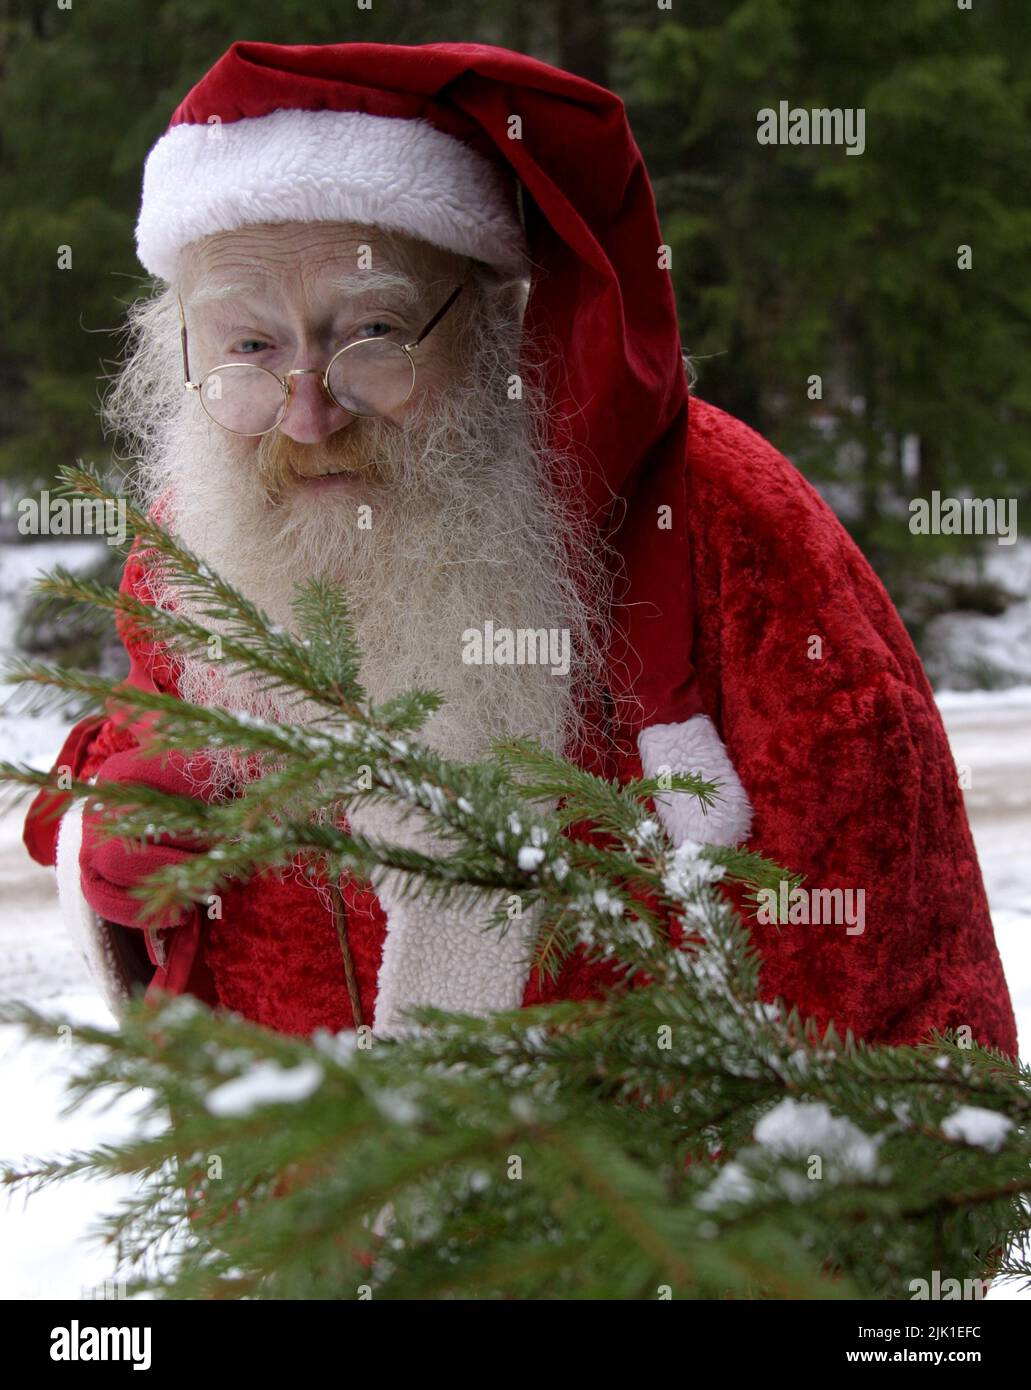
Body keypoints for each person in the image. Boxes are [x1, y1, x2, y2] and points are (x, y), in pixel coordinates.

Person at [23, 40, 1017, 1057]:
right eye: (247, 346)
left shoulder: (719, 524)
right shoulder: (199, 538)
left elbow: (895, 980)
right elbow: (108, 781)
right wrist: (103, 851)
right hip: (303, 1203)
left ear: (500, 321)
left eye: (372, 330)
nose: (308, 413)